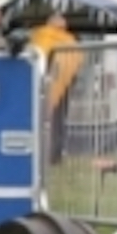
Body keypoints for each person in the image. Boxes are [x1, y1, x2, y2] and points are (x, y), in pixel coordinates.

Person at [29, 11, 85, 163]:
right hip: (46, 86)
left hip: (64, 84)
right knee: (48, 120)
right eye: (60, 19)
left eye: (63, 19)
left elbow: (76, 58)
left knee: (58, 120)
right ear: (52, 21)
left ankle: (56, 153)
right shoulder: (43, 36)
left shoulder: (68, 38)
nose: (63, 22)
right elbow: (41, 58)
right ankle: (45, 154)